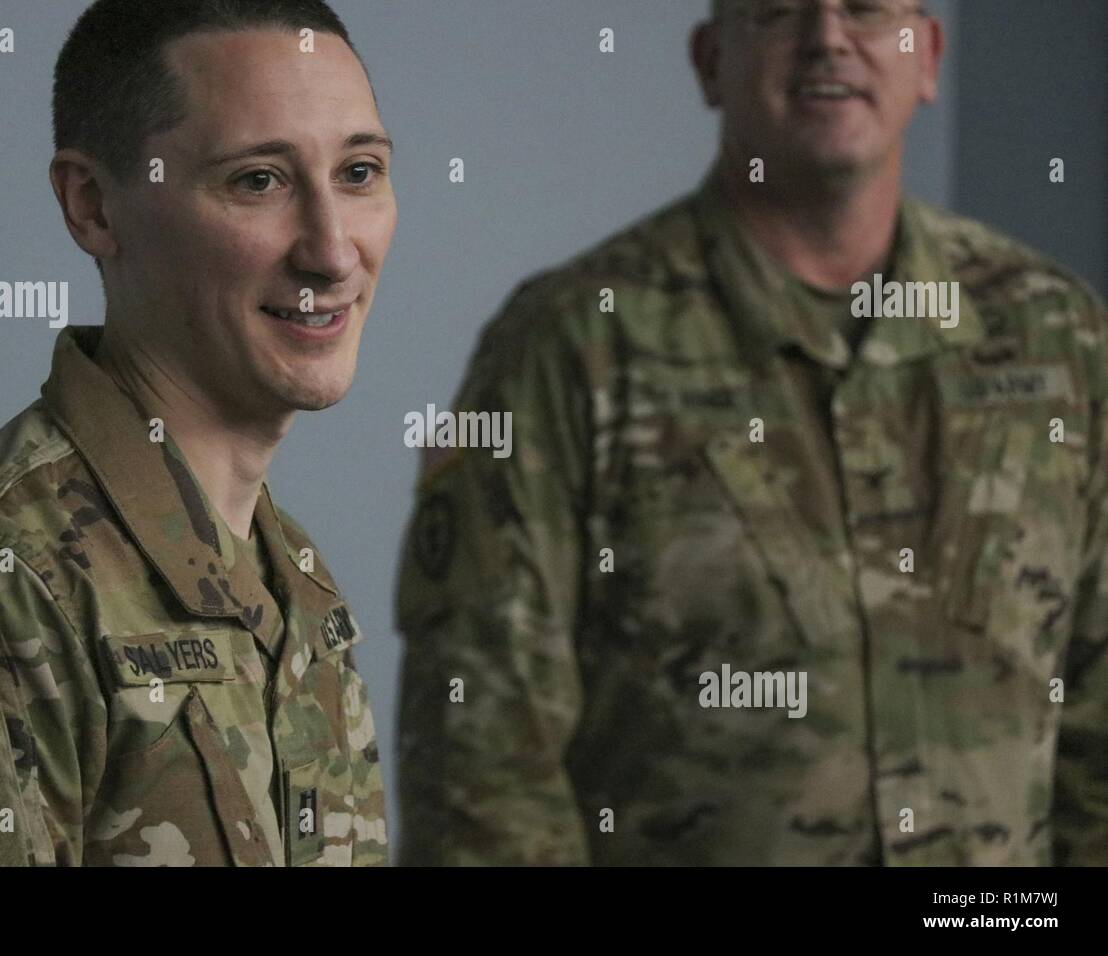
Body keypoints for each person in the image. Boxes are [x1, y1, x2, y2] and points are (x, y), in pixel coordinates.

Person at [395, 0, 1108, 865]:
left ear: (928, 60)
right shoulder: (571, 346)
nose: (828, 38)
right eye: (779, 10)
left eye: (870, 10)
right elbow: (481, 766)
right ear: (708, 61)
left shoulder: (1054, 337)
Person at [0, 0, 395, 866]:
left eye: (359, 172)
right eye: (258, 180)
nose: (333, 252)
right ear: (93, 208)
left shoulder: (295, 585)